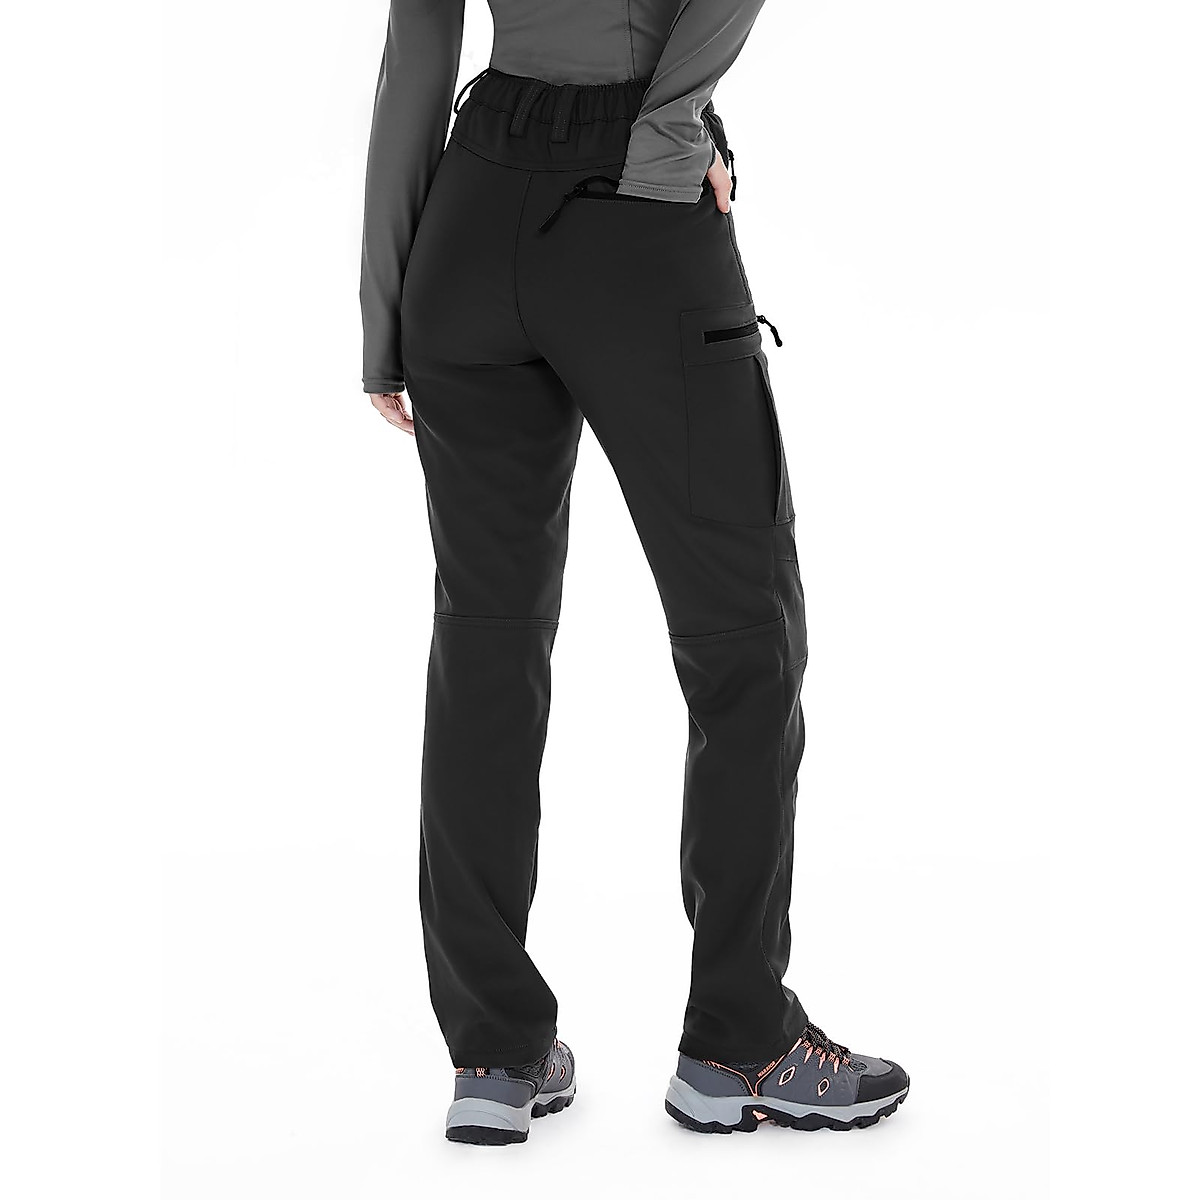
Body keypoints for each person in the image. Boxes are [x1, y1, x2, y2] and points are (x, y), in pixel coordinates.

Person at [361, 0, 908, 1146]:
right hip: (635, 225)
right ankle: (740, 1040)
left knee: (484, 640)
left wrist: (385, 306)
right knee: (746, 640)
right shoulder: (652, 167)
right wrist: (669, 133)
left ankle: (492, 1055)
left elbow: (420, 45)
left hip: (467, 222)